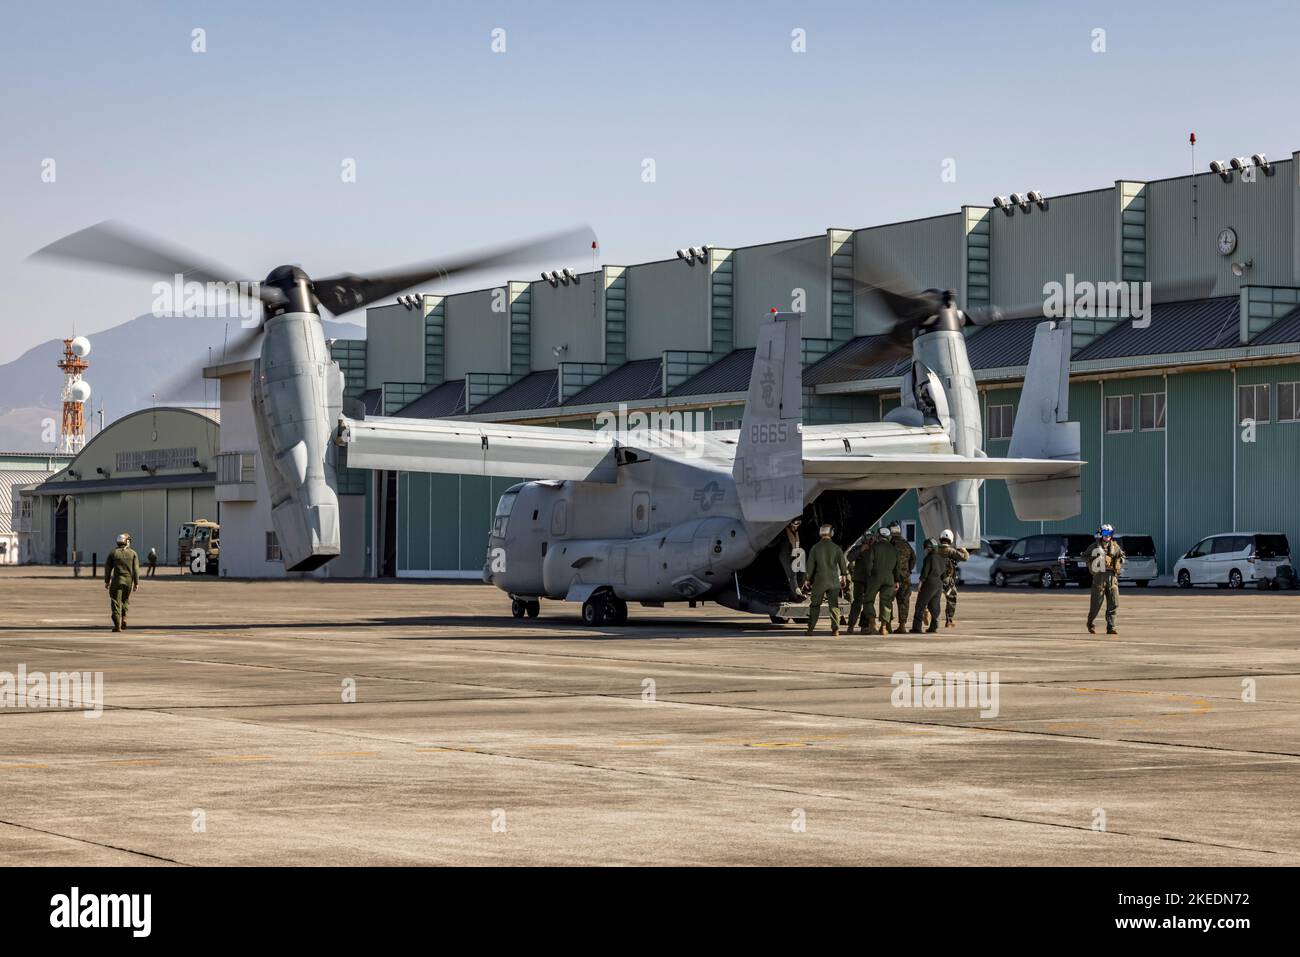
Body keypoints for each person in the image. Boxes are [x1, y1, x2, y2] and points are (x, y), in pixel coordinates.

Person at [804, 524, 848, 636]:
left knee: (815, 605)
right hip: (834, 581)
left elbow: (810, 565)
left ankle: (810, 629)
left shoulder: (815, 548)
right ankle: (835, 629)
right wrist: (844, 576)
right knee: (834, 605)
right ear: (831, 533)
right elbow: (842, 564)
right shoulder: (836, 548)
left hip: (819, 581)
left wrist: (807, 579)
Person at [860, 527, 902, 635]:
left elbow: (869, 562)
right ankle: (883, 627)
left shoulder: (874, 547)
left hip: (875, 577)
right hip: (889, 578)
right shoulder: (894, 549)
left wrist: (869, 574)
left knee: (868, 600)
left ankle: (872, 623)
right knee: (886, 602)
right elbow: (898, 567)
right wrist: (897, 581)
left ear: (878, 536)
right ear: (889, 537)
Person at [1086, 523, 1125, 635]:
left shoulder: (1115, 547)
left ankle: (1111, 627)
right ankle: (1090, 623)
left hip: (1112, 578)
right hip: (1099, 578)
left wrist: (1119, 561)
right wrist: (1097, 558)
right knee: (1096, 605)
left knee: (1113, 604)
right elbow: (1084, 556)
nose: (1107, 536)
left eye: (1109, 533)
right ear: (1101, 534)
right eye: (1105, 533)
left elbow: (1122, 557)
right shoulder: (1094, 546)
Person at [104, 532, 141, 633]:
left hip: (117, 580)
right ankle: (124, 617)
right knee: (125, 600)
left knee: (116, 602)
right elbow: (136, 569)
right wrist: (136, 583)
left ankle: (117, 626)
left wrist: (107, 581)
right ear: (126, 542)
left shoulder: (113, 553)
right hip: (129, 580)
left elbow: (107, 568)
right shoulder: (133, 553)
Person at [910, 539, 945, 634]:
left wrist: (920, 583)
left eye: (925, 548)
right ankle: (934, 626)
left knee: (920, 605)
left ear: (929, 548)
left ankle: (917, 627)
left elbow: (925, 572)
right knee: (934, 606)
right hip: (939, 584)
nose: (924, 551)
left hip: (929, 583)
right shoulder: (941, 558)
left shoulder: (929, 558)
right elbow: (944, 574)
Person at [937, 529, 969, 628]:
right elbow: (965, 558)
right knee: (951, 598)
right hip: (947, 579)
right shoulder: (951, 551)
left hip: (934, 578)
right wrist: (964, 550)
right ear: (950, 540)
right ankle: (949, 620)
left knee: (933, 599)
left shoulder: (935, 550)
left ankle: (930, 614)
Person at [844, 530, 874, 634]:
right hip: (859, 580)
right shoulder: (858, 548)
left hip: (870, 580)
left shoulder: (875, 549)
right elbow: (849, 557)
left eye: (870, 537)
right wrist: (860, 550)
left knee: (868, 603)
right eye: (867, 537)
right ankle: (851, 625)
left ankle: (864, 625)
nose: (869, 540)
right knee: (856, 603)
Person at [890, 524, 916, 625]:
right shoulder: (907, 544)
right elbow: (914, 558)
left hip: (893, 578)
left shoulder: (890, 544)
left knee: (888, 600)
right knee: (904, 601)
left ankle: (887, 625)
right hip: (905, 577)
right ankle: (902, 625)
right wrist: (909, 569)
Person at [778, 519, 804, 602]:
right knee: (792, 575)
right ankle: (797, 594)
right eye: (794, 525)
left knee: (796, 574)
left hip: (793, 555)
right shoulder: (785, 532)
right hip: (785, 556)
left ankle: (794, 594)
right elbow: (776, 541)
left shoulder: (796, 533)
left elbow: (797, 545)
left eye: (798, 525)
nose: (796, 527)